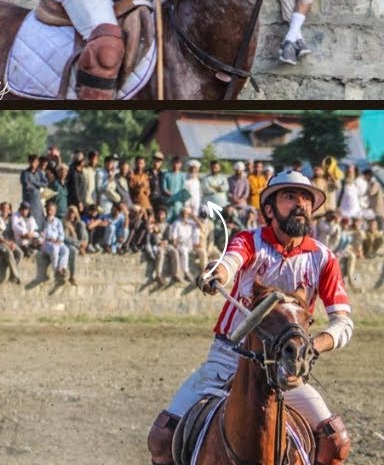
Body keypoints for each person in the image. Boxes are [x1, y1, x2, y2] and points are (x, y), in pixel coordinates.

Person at [147, 171, 353, 465]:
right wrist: (217, 273)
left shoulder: (323, 258)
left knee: (336, 443)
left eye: (306, 198)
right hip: (228, 360)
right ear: (269, 209)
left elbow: (343, 322)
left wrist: (312, 346)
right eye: (290, 196)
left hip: (285, 369)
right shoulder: (250, 240)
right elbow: (230, 261)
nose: (301, 204)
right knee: (162, 438)